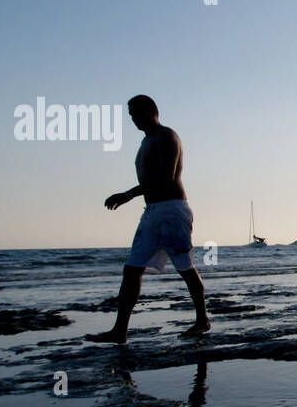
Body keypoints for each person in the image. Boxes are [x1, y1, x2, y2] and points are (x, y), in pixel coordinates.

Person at [85, 95, 209, 343]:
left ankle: (202, 320)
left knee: (185, 268)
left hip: (172, 211)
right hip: (152, 212)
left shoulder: (166, 136)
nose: (134, 120)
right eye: (131, 116)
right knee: (131, 270)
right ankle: (119, 331)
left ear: (153, 111)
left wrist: (129, 193)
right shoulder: (146, 141)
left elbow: (166, 176)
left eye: (138, 114)